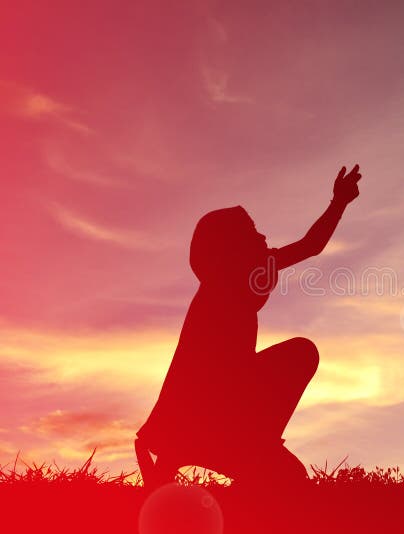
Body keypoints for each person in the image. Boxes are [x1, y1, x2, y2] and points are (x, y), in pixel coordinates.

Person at [135, 164, 362, 487]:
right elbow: (309, 246)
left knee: (291, 477)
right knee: (301, 353)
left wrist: (338, 203)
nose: (263, 237)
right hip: (211, 420)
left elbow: (309, 246)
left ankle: (246, 450)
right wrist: (338, 203)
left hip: (216, 416)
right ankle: (251, 445)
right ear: (230, 246)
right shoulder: (225, 284)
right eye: (252, 231)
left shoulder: (226, 286)